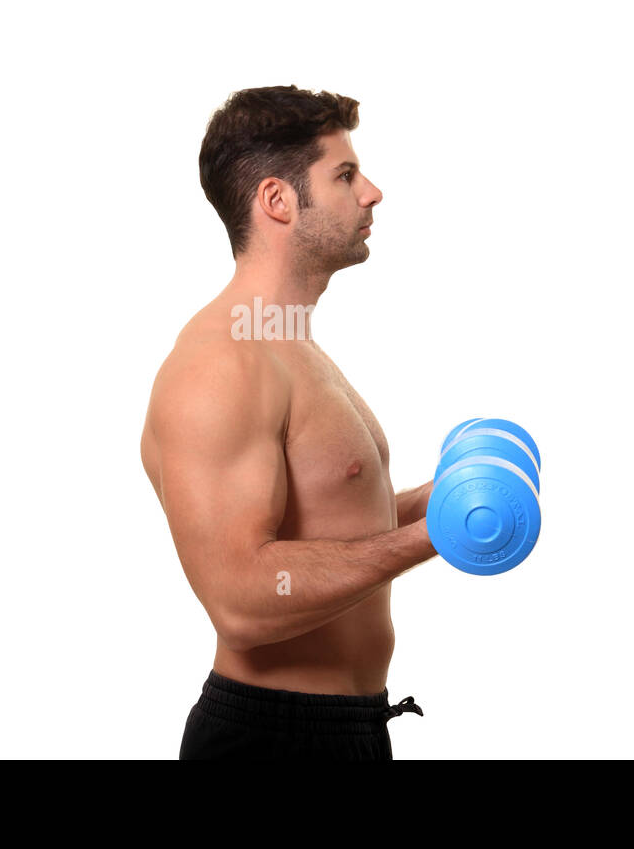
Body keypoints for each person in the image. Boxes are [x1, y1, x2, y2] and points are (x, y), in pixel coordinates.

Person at [140, 85, 435, 760]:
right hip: (271, 742)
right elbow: (241, 598)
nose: (372, 193)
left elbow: (330, 525)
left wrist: (438, 500)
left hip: (352, 728)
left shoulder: (286, 342)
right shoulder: (220, 364)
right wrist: (436, 540)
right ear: (277, 201)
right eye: (345, 174)